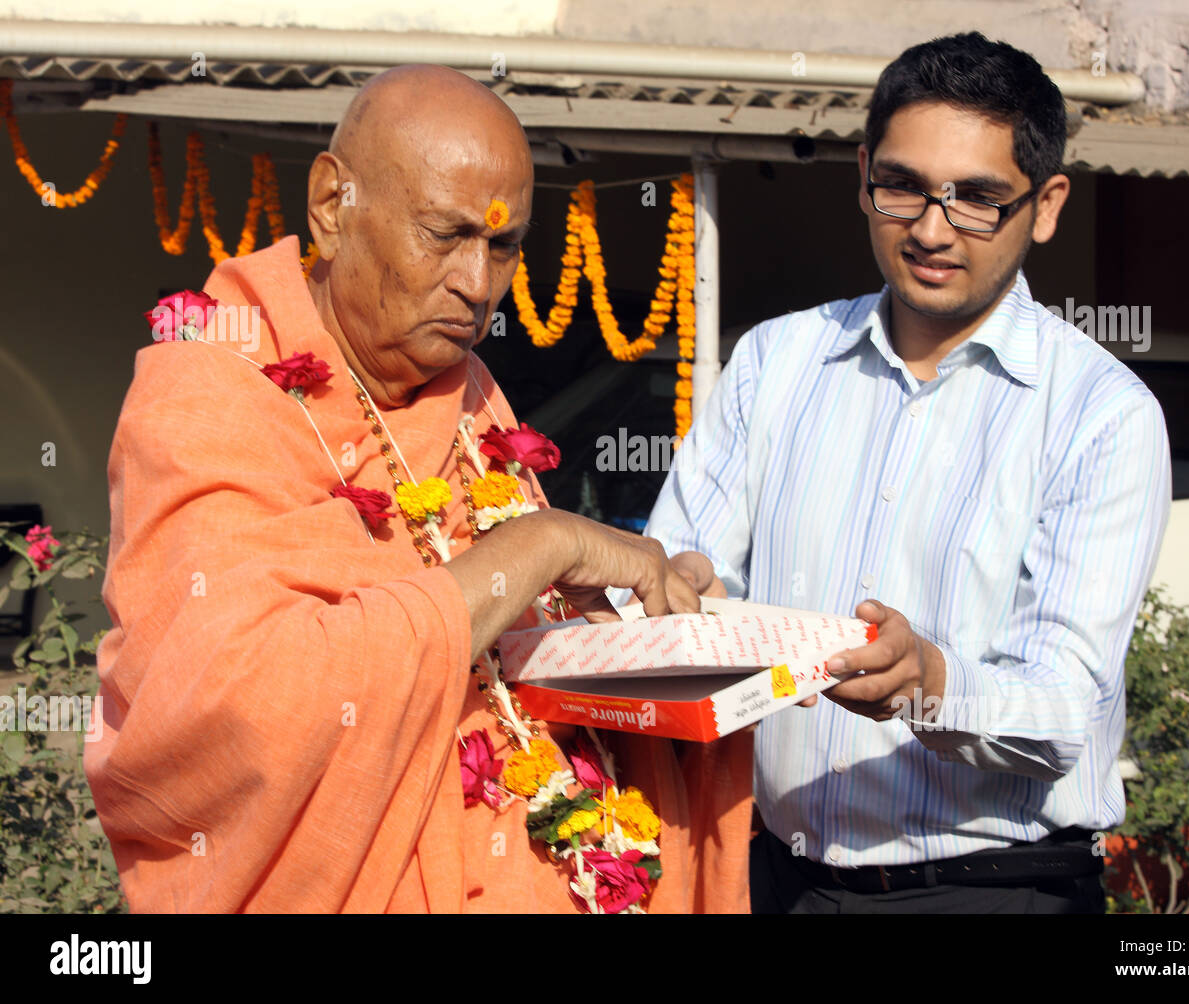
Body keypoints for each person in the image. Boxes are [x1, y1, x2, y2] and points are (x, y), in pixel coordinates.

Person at [85, 65, 751, 913]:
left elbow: (502, 669)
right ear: (333, 206)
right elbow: (243, 706)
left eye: (504, 245)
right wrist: (545, 543)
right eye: (444, 234)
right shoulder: (213, 394)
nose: (479, 285)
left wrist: (637, 634)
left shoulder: (468, 396)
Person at [646, 33, 1172, 913]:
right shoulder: (777, 361)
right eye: (904, 187)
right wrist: (681, 584)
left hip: (993, 891)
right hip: (778, 879)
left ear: (1044, 206)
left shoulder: (1101, 416)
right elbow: (689, 560)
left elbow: (1066, 713)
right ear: (863, 175)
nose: (932, 229)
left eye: (977, 199)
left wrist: (928, 682)